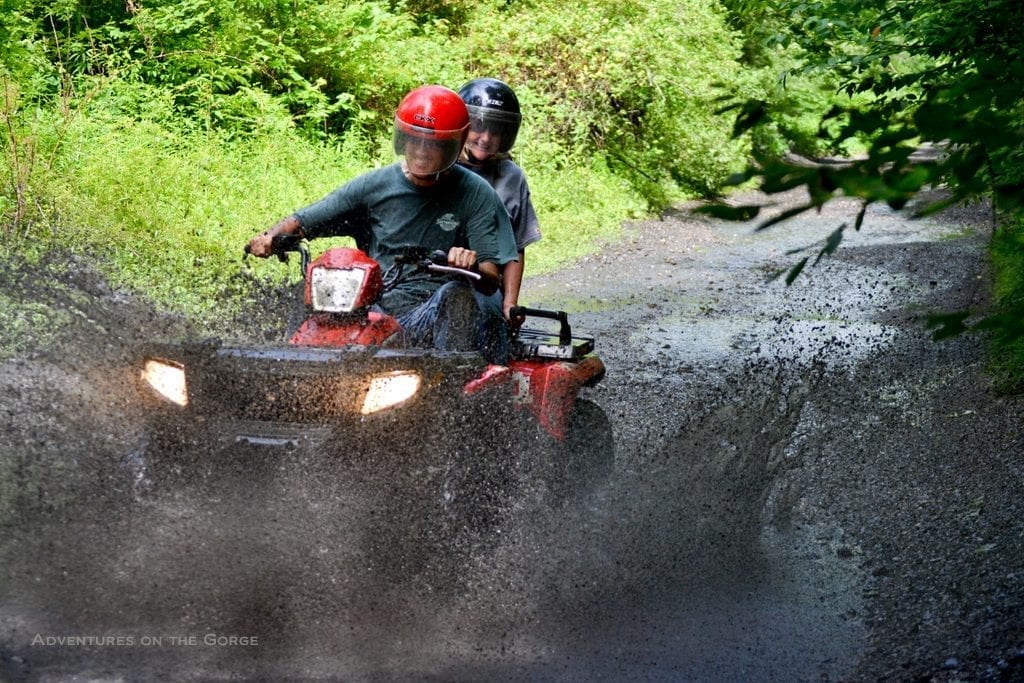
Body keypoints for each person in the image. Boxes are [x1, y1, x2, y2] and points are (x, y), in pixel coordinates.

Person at [247, 84, 518, 362]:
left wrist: (469, 265)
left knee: (455, 295)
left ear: (453, 146)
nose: (421, 152)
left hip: (427, 312)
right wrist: (270, 237)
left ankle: (448, 392)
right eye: (414, 140)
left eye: (433, 144)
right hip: (374, 310)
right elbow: (305, 219)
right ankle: (291, 369)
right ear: (402, 141)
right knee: (308, 289)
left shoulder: (475, 192)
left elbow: (489, 277)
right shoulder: (374, 184)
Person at [457, 77, 541, 327]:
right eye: (478, 127)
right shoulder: (439, 166)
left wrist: (510, 302)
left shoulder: (511, 176)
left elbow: (516, 245)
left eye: (495, 130)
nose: (485, 137)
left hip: (486, 284)